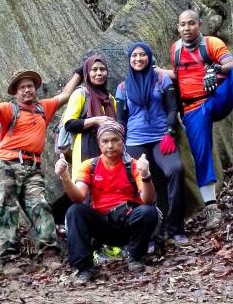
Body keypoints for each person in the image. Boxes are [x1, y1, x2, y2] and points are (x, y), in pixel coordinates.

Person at [0, 68, 80, 262]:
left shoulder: (43, 108)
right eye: (22, 87)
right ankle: (8, 258)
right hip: (8, 164)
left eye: (30, 86)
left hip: (33, 167)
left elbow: (65, 95)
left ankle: (49, 254)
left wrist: (78, 73)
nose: (27, 90)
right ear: (16, 92)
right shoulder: (10, 108)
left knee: (40, 205)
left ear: (35, 89)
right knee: (5, 208)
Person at [171, 8, 233, 229]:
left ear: (199, 24)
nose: (187, 28)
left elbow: (231, 65)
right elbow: (177, 77)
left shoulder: (211, 43)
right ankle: (211, 208)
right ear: (178, 27)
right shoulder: (176, 50)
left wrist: (215, 69)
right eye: (183, 24)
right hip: (192, 108)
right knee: (201, 154)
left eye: (191, 23)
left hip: (216, 98)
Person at [55, 119, 159, 283]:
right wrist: (65, 178)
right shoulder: (90, 165)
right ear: (99, 143)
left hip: (128, 223)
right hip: (102, 224)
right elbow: (79, 197)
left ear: (122, 141)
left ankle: (135, 257)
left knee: (148, 211)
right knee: (74, 210)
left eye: (115, 140)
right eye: (105, 141)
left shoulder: (133, 165)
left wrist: (146, 175)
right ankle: (84, 268)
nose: (110, 145)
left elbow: (148, 199)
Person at [115, 42, 187, 245]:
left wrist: (170, 131)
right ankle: (150, 234)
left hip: (161, 138)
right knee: (140, 182)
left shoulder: (161, 79)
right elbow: (121, 120)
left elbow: (172, 107)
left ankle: (175, 228)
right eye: (134, 56)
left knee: (175, 170)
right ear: (129, 60)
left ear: (149, 57)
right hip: (135, 141)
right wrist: (120, 145)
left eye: (142, 55)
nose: (138, 59)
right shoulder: (122, 87)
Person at [59, 53, 117, 179]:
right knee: (85, 191)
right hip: (85, 151)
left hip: (108, 150)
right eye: (94, 69)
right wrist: (96, 120)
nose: (99, 73)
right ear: (87, 73)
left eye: (102, 69)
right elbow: (69, 124)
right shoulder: (80, 94)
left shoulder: (110, 99)